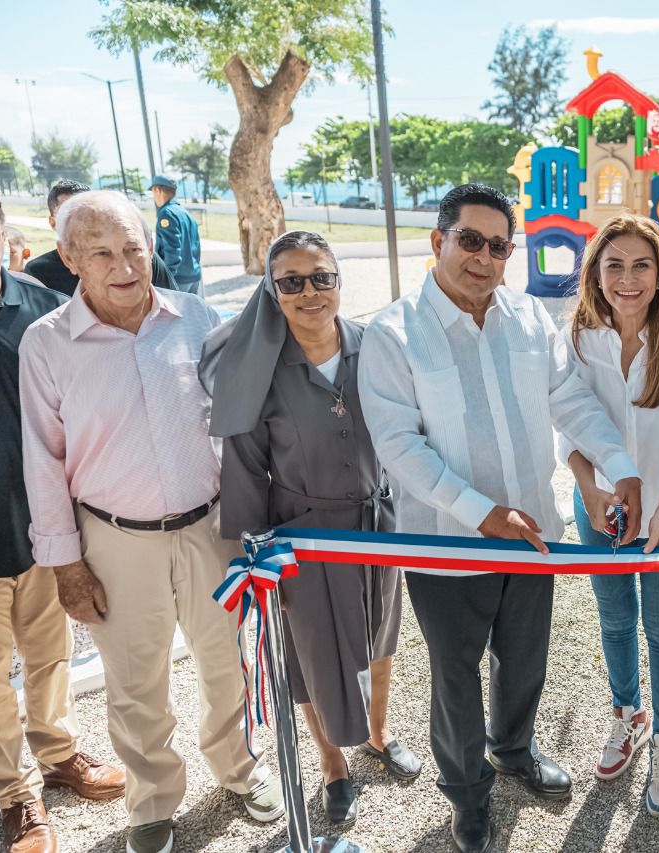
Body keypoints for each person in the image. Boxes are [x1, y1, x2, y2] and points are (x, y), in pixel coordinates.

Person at [359, 184, 642, 853]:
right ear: (439, 241)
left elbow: (568, 398)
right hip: (447, 544)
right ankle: (467, 796)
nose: (483, 256)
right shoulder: (393, 332)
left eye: (497, 245)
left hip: (531, 534)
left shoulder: (528, 318)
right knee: (455, 675)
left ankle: (513, 749)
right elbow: (400, 448)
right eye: (470, 239)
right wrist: (482, 513)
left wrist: (616, 463)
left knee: (524, 660)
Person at [18, 191, 282, 853]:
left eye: (133, 246)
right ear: (70, 259)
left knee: (230, 663)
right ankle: (154, 799)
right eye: (101, 251)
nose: (122, 264)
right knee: (136, 681)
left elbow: (241, 426)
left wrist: (255, 517)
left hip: (211, 527)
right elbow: (44, 461)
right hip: (113, 537)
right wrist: (67, 565)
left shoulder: (196, 317)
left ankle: (239, 769)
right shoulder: (47, 344)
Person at [203, 231, 419, 825]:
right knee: (309, 654)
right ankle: (331, 764)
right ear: (273, 292)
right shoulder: (260, 370)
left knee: (380, 633)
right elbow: (244, 461)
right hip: (300, 532)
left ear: (339, 281)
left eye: (320, 276)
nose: (309, 292)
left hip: (377, 522)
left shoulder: (377, 347)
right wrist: (253, 553)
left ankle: (377, 734)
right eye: (291, 281)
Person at [0, 186, 125, 853]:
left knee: (50, 656)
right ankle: (16, 794)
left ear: (6, 236)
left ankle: (59, 752)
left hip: (40, 533)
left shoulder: (45, 312)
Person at [563, 215, 659, 819]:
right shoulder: (577, 335)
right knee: (615, 620)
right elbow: (568, 424)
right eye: (614, 264)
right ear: (596, 272)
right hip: (598, 502)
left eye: (641, 265)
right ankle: (627, 715)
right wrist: (589, 490)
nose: (628, 278)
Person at [24, 179, 181, 296]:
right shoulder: (39, 273)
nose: (122, 268)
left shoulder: (141, 258)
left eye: (87, 214)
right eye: (66, 216)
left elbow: (173, 303)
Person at [149, 175, 203, 294]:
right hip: (193, 276)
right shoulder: (185, 212)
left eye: (153, 192)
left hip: (178, 279)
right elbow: (197, 246)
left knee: (174, 312)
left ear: (158, 190)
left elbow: (172, 251)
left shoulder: (166, 213)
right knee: (192, 312)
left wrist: (166, 279)